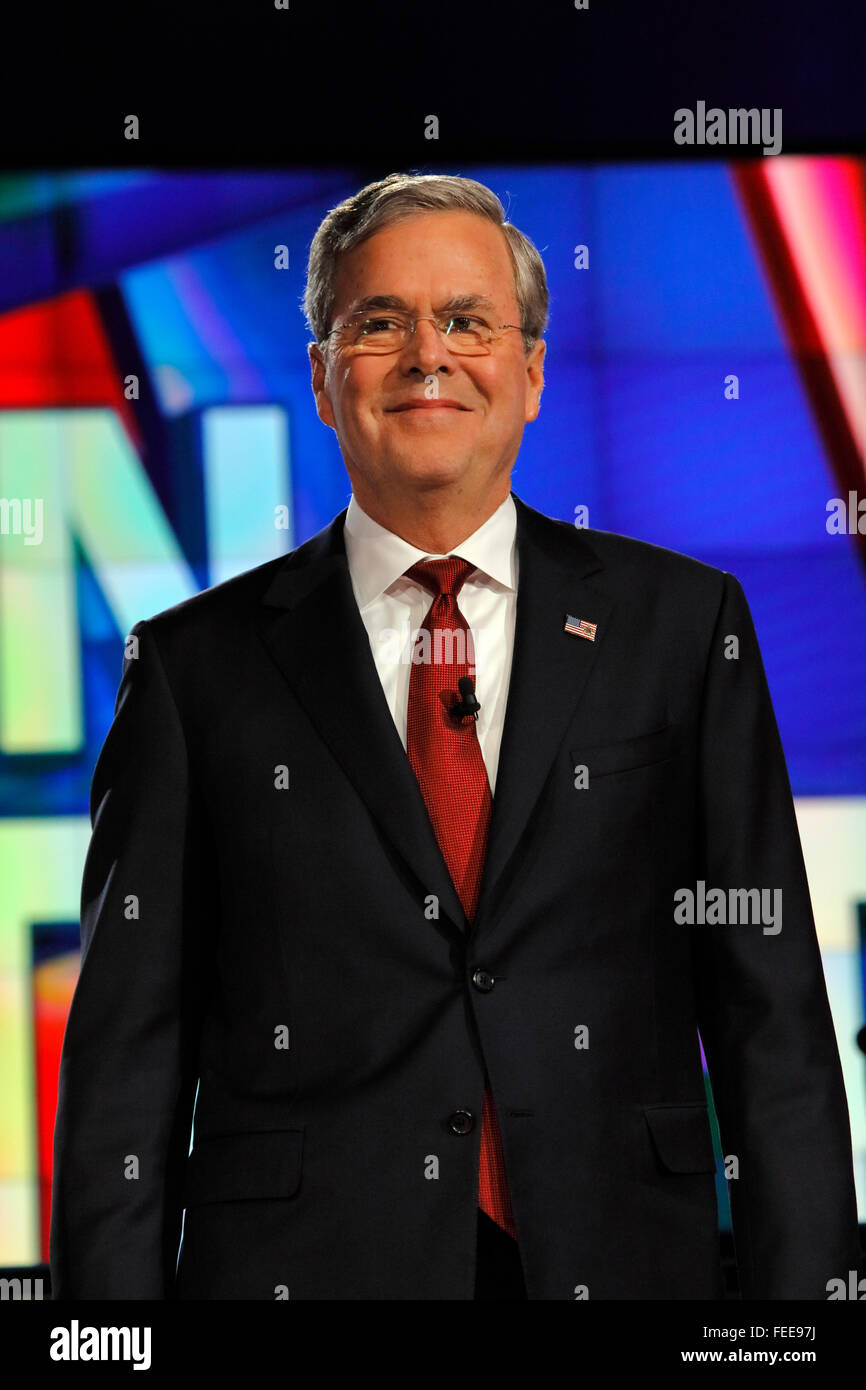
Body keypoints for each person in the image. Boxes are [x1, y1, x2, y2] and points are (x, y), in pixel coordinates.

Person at [50, 172, 861, 1300]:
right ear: (326, 381)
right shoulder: (194, 670)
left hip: (621, 1264)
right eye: (378, 322)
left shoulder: (683, 628)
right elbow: (125, 1064)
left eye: (467, 321)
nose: (427, 354)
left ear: (529, 373)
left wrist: (804, 1321)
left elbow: (769, 1015)